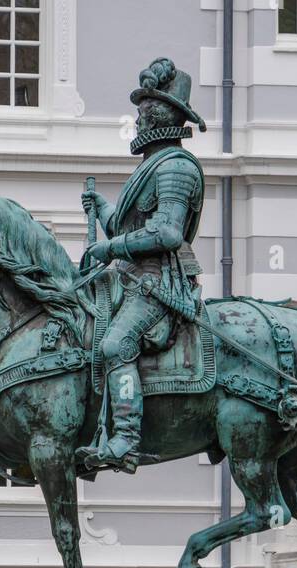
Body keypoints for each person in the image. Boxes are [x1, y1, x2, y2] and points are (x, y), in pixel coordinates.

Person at [77, 57, 206, 472]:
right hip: (129, 278)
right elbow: (127, 227)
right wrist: (102, 210)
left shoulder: (176, 167)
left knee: (115, 345)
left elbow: (167, 233)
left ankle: (125, 439)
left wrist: (111, 248)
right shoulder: (152, 165)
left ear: (160, 116)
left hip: (158, 284)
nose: (136, 120)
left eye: (142, 111)